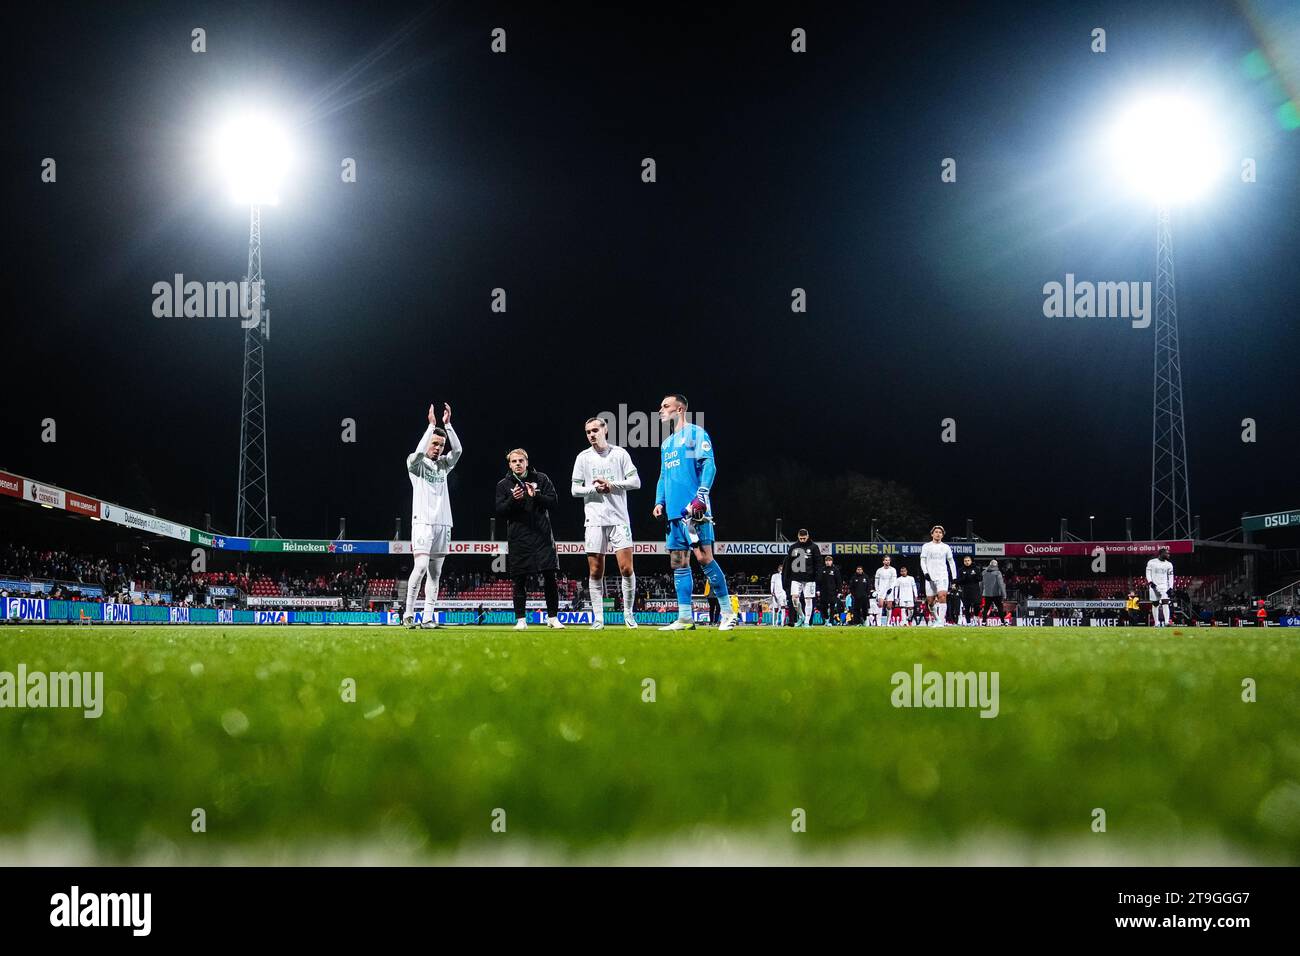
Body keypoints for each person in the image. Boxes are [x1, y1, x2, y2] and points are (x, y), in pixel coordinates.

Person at [652, 394, 736, 632]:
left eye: (665, 406)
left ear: (680, 409)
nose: (661, 410)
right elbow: (662, 476)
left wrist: (701, 496)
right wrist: (659, 501)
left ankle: (728, 613)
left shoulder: (695, 434)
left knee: (704, 557)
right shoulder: (667, 444)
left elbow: (709, 463)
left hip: (693, 511)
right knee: (678, 562)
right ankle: (685, 617)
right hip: (673, 515)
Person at [572, 416, 641, 629]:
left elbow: (636, 482)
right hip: (594, 520)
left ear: (605, 430)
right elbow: (575, 489)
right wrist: (595, 488)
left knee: (626, 568)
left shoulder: (620, 454)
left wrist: (611, 485)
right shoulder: (583, 457)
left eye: (595, 430)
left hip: (619, 518)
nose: (592, 435)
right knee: (595, 572)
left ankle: (628, 615)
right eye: (588, 432)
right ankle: (599, 619)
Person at [402, 403, 462, 629]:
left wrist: (448, 426)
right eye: (435, 444)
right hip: (423, 523)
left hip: (444, 524)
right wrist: (431, 427)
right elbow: (418, 453)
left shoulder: (444, 466)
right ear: (428, 442)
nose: (438, 448)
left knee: (435, 574)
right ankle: (408, 614)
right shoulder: (415, 465)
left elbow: (458, 452)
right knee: (420, 567)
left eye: (441, 444)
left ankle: (427, 618)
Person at [495, 449, 565, 630]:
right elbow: (500, 511)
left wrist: (537, 496)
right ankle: (521, 620)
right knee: (519, 579)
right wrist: (512, 499)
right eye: (514, 461)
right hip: (519, 538)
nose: (517, 464)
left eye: (520, 460)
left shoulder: (541, 478)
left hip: (542, 536)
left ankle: (553, 618)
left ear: (527, 462)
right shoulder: (503, 485)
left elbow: (554, 502)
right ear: (509, 465)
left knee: (550, 576)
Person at [920, 525, 958, 627]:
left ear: (942, 535)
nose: (938, 534)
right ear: (932, 534)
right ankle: (937, 619)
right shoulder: (926, 546)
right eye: (936, 532)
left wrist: (954, 578)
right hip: (930, 576)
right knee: (930, 602)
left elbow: (951, 562)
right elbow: (922, 561)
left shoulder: (946, 547)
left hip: (942, 575)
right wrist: (925, 573)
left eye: (940, 532)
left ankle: (941, 622)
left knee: (942, 596)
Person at [783, 528, 820, 627]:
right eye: (800, 538)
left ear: (808, 536)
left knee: (808, 600)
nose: (802, 540)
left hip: (810, 579)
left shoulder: (814, 547)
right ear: (798, 537)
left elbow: (818, 564)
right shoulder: (793, 547)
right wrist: (786, 578)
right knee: (794, 599)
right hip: (795, 578)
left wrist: (817, 578)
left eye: (804, 538)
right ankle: (801, 616)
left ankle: (807, 621)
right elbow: (788, 564)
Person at [1145, 546, 1175, 628]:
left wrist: (1171, 587)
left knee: (1165, 603)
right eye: (1167, 553)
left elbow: (1171, 576)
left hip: (1164, 586)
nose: (1169, 554)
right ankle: (1157, 623)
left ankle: (1166, 622)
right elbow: (1148, 573)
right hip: (1154, 586)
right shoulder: (1151, 562)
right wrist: (1150, 582)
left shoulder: (1169, 564)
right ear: (1161, 553)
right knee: (1155, 604)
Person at [816, 554, 843, 627]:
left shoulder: (835, 570)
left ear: (832, 562)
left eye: (829, 561)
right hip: (823, 591)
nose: (828, 562)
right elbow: (818, 581)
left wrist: (840, 592)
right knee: (823, 606)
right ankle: (826, 619)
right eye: (826, 561)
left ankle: (831, 621)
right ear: (825, 562)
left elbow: (839, 582)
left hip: (833, 592)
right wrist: (818, 590)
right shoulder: (822, 570)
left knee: (832, 607)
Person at [957, 555, 983, 626]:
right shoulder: (961, 570)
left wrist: (975, 576)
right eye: (965, 561)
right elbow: (959, 581)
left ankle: (975, 617)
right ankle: (968, 622)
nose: (967, 562)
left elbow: (980, 578)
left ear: (971, 561)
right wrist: (964, 578)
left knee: (977, 605)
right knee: (967, 607)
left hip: (975, 590)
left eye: (968, 560)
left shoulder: (976, 569)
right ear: (963, 562)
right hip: (965, 591)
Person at [874, 556, 898, 627]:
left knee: (889, 607)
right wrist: (877, 590)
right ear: (883, 561)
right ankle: (878, 623)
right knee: (880, 605)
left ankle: (888, 623)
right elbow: (876, 582)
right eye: (886, 560)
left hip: (889, 590)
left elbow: (894, 581)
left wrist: (891, 588)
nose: (887, 562)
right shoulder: (879, 570)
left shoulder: (893, 570)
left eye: (888, 560)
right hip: (881, 590)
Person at [981, 560, 1006, 624]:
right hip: (996, 594)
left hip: (987, 594)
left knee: (986, 608)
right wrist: (1004, 594)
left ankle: (984, 622)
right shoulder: (998, 573)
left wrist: (981, 592)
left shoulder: (984, 572)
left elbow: (981, 584)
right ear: (996, 565)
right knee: (1000, 607)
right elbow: (1001, 584)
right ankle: (1003, 622)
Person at [769, 562, 787, 626]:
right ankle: (775, 621)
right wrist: (772, 591)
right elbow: (772, 583)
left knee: (783, 607)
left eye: (782, 569)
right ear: (778, 569)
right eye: (780, 568)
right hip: (776, 593)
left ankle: (782, 622)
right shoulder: (774, 576)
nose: (781, 570)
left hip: (783, 593)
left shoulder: (786, 576)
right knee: (776, 608)